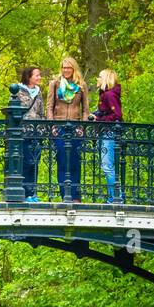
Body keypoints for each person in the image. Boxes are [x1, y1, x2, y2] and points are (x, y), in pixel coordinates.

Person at [47, 56, 88, 201]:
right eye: (63, 67)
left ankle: (76, 195)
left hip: (76, 127)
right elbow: (50, 106)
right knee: (62, 160)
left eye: (68, 67)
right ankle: (65, 195)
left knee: (75, 161)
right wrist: (51, 126)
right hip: (59, 126)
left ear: (73, 68)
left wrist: (82, 127)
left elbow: (85, 110)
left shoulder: (81, 85)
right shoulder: (55, 84)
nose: (66, 70)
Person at [87, 68, 124, 204]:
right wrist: (96, 115)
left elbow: (117, 116)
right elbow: (105, 111)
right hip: (106, 132)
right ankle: (115, 196)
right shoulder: (105, 95)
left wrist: (99, 120)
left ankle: (115, 198)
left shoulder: (109, 95)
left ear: (106, 79)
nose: (97, 79)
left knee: (107, 166)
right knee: (108, 166)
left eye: (99, 77)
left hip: (109, 133)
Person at [15, 66, 45, 202]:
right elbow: (14, 112)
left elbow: (41, 112)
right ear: (29, 77)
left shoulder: (38, 93)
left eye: (39, 75)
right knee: (25, 162)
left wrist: (43, 129)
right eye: (37, 75)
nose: (39, 78)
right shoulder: (18, 91)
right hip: (23, 133)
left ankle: (33, 193)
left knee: (35, 162)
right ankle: (25, 193)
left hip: (36, 133)